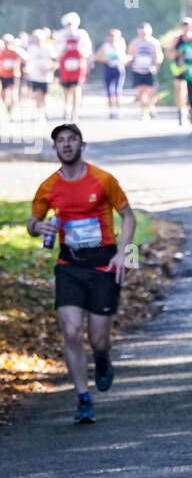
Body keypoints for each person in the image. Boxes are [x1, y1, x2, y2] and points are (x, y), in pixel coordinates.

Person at [28, 124, 135, 423]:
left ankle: (102, 359)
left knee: (98, 339)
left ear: (82, 144)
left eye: (71, 139)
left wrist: (123, 252)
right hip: (69, 266)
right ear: (54, 148)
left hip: (102, 263)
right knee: (72, 331)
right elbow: (31, 223)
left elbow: (128, 216)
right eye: (60, 141)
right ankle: (83, 397)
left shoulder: (103, 179)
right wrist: (39, 227)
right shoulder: (48, 186)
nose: (66, 145)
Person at [54, 13, 92, 122]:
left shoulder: (82, 34)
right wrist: (61, 52)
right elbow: (55, 48)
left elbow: (87, 48)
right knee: (66, 89)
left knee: (77, 88)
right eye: (68, 24)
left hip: (78, 64)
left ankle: (75, 113)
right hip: (65, 64)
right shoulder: (61, 34)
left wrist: (82, 52)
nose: (70, 26)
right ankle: (66, 108)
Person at [126, 23, 163, 121]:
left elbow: (158, 55)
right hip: (137, 70)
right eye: (141, 33)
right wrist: (127, 60)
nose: (143, 35)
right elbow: (130, 54)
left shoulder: (154, 42)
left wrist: (156, 65)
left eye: (145, 33)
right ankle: (144, 112)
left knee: (151, 92)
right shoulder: (134, 42)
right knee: (141, 92)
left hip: (149, 70)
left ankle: (151, 107)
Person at [93, 29, 127, 118]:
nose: (113, 38)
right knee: (109, 91)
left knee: (117, 90)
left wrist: (124, 59)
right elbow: (97, 57)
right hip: (108, 68)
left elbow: (125, 57)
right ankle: (111, 111)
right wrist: (107, 59)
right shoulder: (105, 46)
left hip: (119, 69)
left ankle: (118, 111)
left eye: (115, 36)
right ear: (108, 37)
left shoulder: (121, 45)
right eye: (111, 36)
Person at [23, 29, 55, 116]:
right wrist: (27, 70)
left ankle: (44, 111)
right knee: (37, 94)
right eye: (35, 38)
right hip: (35, 76)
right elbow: (28, 61)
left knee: (44, 96)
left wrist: (48, 70)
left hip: (46, 77)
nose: (37, 40)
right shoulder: (31, 49)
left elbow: (54, 62)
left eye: (39, 38)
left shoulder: (49, 48)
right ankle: (39, 114)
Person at [169, 18, 192, 126]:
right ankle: (180, 110)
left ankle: (191, 109)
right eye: (184, 25)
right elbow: (169, 52)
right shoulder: (177, 38)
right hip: (179, 67)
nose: (186, 27)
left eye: (188, 25)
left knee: (191, 90)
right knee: (180, 89)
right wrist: (178, 53)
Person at [0, 34, 23, 111]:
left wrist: (16, 50)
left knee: (12, 92)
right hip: (3, 74)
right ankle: (6, 105)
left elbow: (24, 58)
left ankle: (11, 107)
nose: (7, 44)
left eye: (8, 42)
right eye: (5, 42)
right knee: (4, 93)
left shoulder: (15, 51)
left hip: (13, 74)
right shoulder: (2, 52)